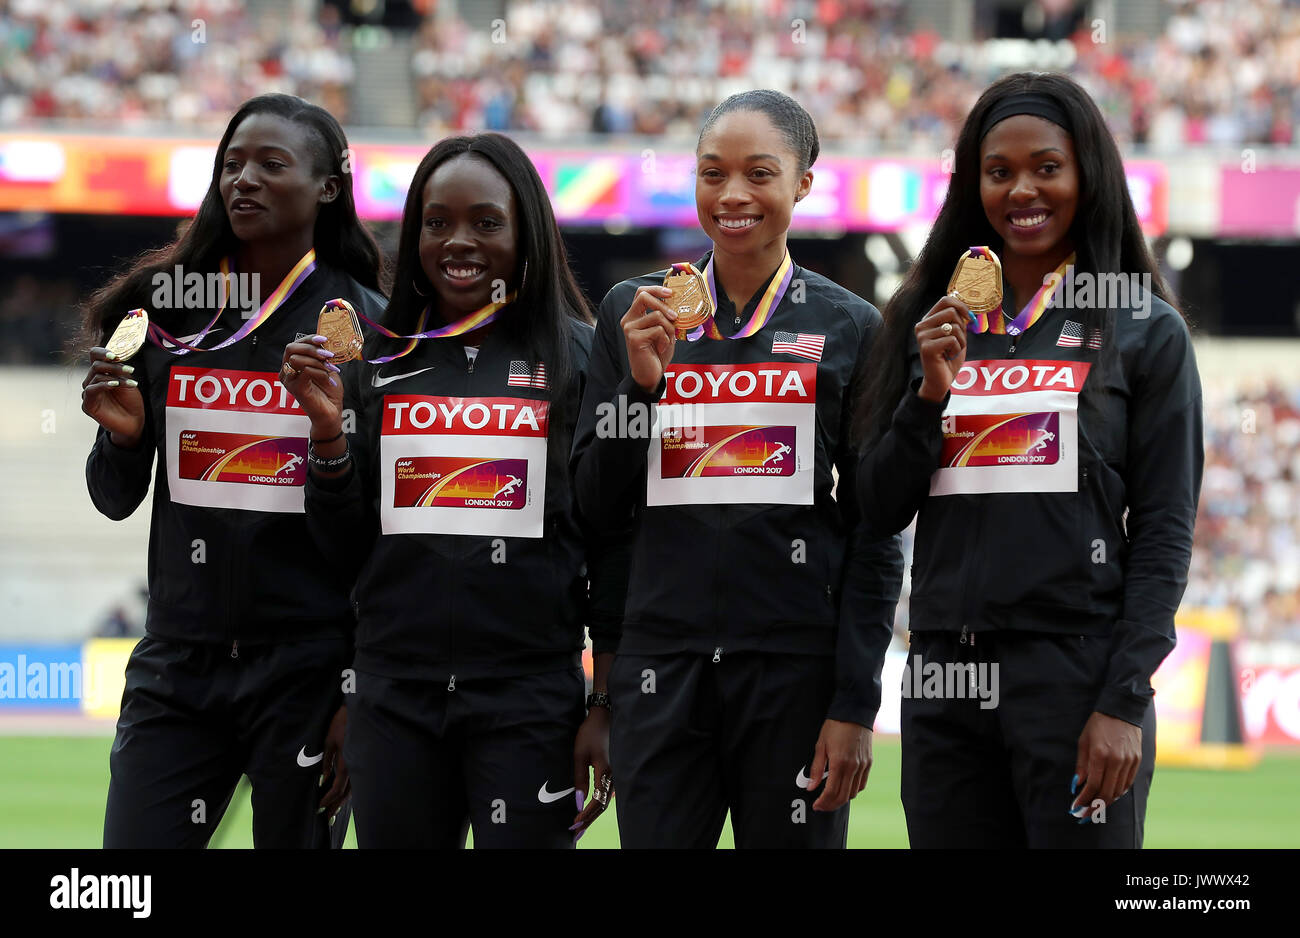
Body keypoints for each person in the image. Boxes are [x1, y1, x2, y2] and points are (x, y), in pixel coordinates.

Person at [854, 72, 1204, 848]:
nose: (1023, 190)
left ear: (1087, 173)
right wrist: (926, 399)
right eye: (999, 171)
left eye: (1047, 167)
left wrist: (1121, 701)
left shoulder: (1142, 329)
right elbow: (876, 509)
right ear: (973, 183)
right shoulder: (923, 317)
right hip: (946, 680)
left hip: (1078, 680)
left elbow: (1164, 533)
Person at [571, 90, 904, 848]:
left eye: (759, 173)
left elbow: (875, 529)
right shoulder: (636, 308)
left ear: (804, 185)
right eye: (711, 172)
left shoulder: (850, 327)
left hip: (794, 674)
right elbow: (593, 505)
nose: (732, 196)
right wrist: (641, 386)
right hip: (661, 674)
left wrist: (854, 703)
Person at [280, 133, 624, 848]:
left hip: (531, 701)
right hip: (392, 698)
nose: (457, 241)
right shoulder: (371, 360)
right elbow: (341, 553)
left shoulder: (582, 356)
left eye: (485, 222)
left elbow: (610, 540)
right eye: (437, 223)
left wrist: (604, 701)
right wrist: (329, 443)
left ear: (526, 228)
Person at [82, 93, 385, 848]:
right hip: (177, 666)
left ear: (327, 188)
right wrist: (120, 445)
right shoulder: (169, 314)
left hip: (311, 671)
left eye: (270, 165)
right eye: (232, 163)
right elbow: (115, 500)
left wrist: (358, 687)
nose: (242, 179)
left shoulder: (369, 328)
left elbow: (379, 536)